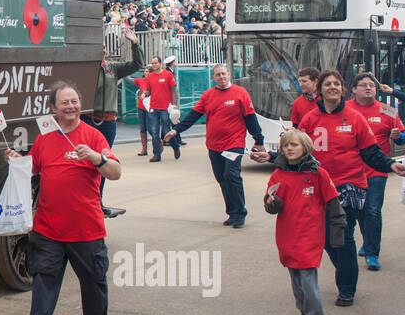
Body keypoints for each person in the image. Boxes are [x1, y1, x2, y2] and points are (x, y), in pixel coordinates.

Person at [7, 80, 121, 315]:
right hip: (48, 228)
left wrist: (96, 158)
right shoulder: (45, 138)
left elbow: (115, 172)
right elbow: (31, 169)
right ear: (53, 109)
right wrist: (15, 159)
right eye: (65, 103)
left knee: (93, 281)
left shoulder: (94, 136)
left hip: (86, 229)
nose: (71, 107)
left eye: (74, 102)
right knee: (44, 280)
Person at [298, 70, 405, 306]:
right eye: (327, 84)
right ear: (319, 89)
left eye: (336, 84)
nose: (332, 87)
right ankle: (347, 270)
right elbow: (297, 152)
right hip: (318, 186)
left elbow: (370, 152)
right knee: (328, 241)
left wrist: (391, 164)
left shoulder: (354, 118)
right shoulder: (309, 119)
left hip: (349, 186)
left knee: (342, 236)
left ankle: (347, 288)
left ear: (343, 89)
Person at [263, 129, 345, 315]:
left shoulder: (318, 174)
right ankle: (304, 313)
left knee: (308, 279)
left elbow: (334, 204)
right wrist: (272, 203)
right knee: (296, 280)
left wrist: (337, 231)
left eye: (294, 145)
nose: (289, 148)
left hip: (309, 235)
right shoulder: (278, 174)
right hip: (286, 235)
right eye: (286, 145)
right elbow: (272, 206)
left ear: (306, 147)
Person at [165, 64, 268, 228]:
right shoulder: (208, 95)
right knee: (222, 178)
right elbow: (193, 115)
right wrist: (176, 130)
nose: (221, 77)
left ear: (229, 75)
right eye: (218, 75)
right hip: (214, 145)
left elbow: (250, 118)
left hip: (234, 143)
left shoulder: (240, 93)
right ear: (213, 78)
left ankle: (240, 213)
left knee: (232, 175)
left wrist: (259, 140)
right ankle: (232, 213)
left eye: (224, 74)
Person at [348, 71, 405, 270]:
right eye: (363, 85)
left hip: (377, 169)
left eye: (371, 85)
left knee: (373, 210)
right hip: (351, 171)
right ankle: (367, 239)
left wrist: (398, 136)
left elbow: (403, 138)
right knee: (360, 211)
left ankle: (372, 254)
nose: (368, 88)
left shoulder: (387, 110)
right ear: (354, 89)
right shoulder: (345, 109)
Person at [84, 26, 144, 217]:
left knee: (103, 162)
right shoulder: (87, 68)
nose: (102, 48)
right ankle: (86, 203)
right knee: (85, 163)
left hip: (107, 122)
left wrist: (134, 43)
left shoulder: (112, 68)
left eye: (103, 45)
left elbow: (137, 64)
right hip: (88, 120)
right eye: (98, 46)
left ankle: (97, 203)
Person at [136, 55, 180, 162]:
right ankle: (157, 154)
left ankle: (175, 146)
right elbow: (149, 90)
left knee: (166, 131)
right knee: (154, 131)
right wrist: (144, 94)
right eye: (152, 63)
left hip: (165, 108)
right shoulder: (150, 76)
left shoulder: (168, 74)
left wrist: (174, 103)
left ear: (160, 63)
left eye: (156, 63)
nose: (154, 65)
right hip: (153, 108)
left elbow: (174, 90)